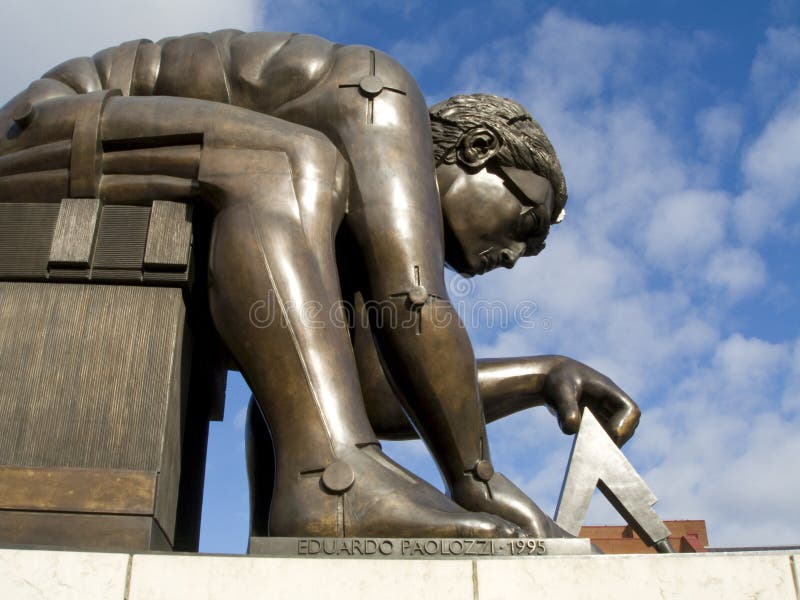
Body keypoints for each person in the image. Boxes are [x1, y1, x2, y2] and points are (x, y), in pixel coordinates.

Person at [0, 31, 639, 539]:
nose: (517, 255)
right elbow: (414, 303)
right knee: (289, 162)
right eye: (526, 221)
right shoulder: (381, 96)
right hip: (47, 128)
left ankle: (315, 493)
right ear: (476, 148)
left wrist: (543, 373)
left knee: (310, 352)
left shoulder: (337, 230)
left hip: (105, 146)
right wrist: (476, 480)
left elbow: (374, 395)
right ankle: (330, 482)